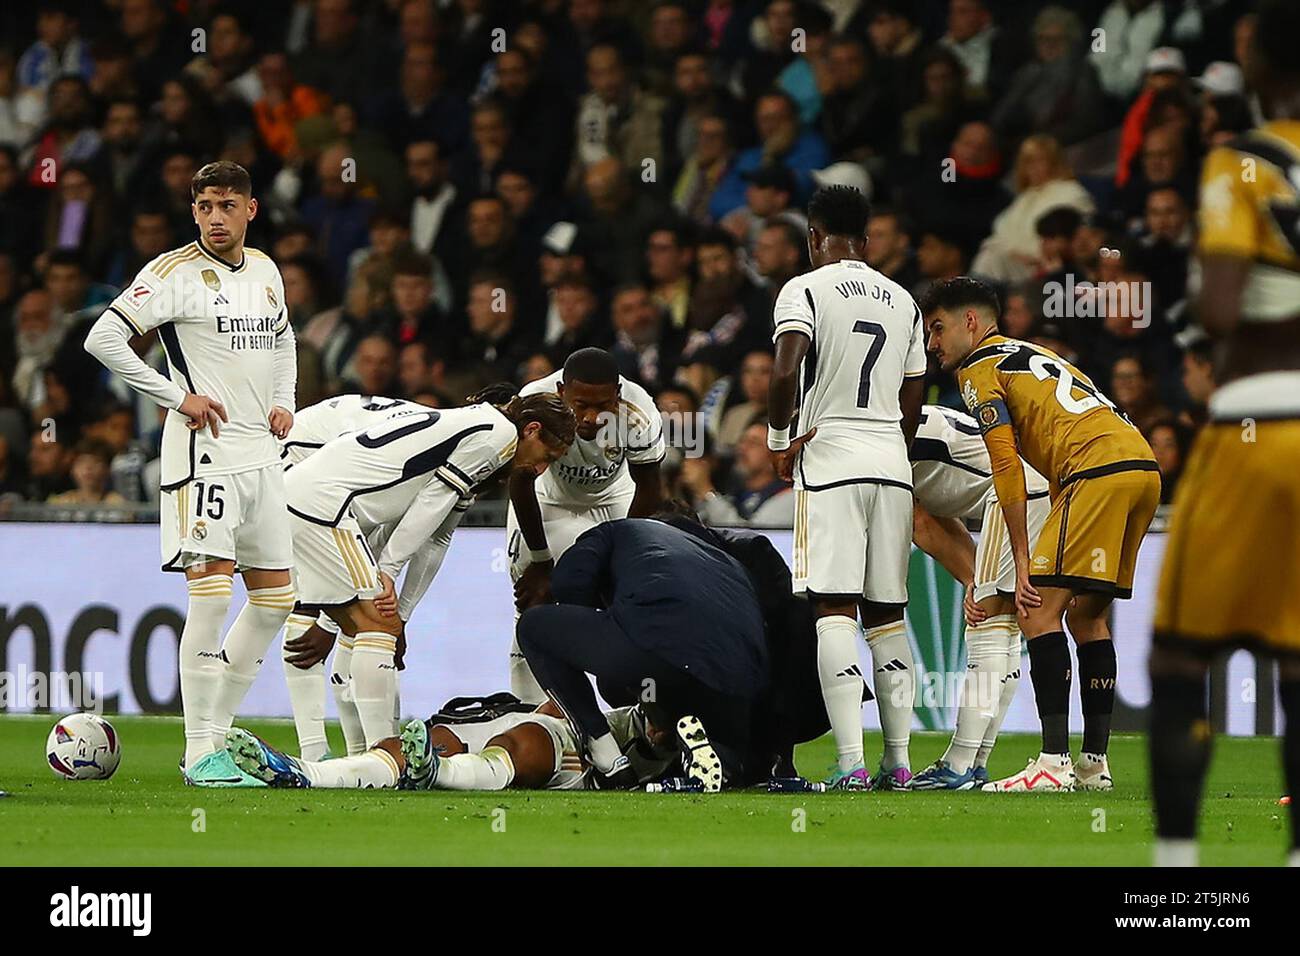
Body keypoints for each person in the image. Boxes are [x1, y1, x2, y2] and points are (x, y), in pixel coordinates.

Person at [83, 160, 298, 781]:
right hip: (205, 458)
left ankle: (216, 732)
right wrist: (178, 398)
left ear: (251, 210)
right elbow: (103, 339)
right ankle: (202, 749)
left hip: (261, 455)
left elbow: (284, 340)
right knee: (210, 598)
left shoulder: (265, 270)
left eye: (227, 205)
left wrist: (285, 399)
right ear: (194, 211)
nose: (215, 218)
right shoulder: (172, 273)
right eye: (205, 206)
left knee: (276, 599)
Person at [1149, 0, 1300, 868]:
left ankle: (1178, 872)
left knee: (1178, 657)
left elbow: (1219, 309)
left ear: (1262, 65)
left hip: (1258, 423)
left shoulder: (1241, 162)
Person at [923, 276, 1160, 793]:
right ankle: (1094, 765)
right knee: (1087, 617)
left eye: (938, 328)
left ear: (970, 322)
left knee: (1035, 611)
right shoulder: (1034, 353)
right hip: (1142, 468)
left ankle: (1052, 763)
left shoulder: (977, 369)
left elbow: (1005, 465)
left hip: (1094, 472)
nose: (932, 343)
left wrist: (1023, 557)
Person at [279, 390, 574, 754]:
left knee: (371, 627)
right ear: (531, 430)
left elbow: (435, 538)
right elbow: (429, 504)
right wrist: (388, 571)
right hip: (327, 503)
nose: (540, 469)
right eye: (547, 456)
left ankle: (359, 758)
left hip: (325, 501)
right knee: (375, 626)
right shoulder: (497, 436)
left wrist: (402, 611)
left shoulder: (472, 436)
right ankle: (381, 756)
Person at [766, 185, 927, 790]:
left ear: (814, 237)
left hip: (831, 459)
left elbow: (785, 369)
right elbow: (912, 399)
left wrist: (779, 439)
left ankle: (851, 763)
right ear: (866, 239)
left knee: (833, 608)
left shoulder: (804, 290)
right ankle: (899, 762)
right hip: (891, 464)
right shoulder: (904, 301)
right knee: (888, 615)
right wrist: (892, 450)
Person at [516, 517, 768, 789]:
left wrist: (572, 610)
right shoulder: (713, 556)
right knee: (645, 680)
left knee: (533, 628)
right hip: (741, 679)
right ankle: (712, 753)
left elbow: (569, 584)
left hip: (660, 650)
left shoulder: (609, 533)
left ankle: (608, 758)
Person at [507, 348, 665, 701]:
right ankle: (529, 710)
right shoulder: (535, 403)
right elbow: (520, 481)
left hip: (614, 497)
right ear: (561, 392)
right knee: (533, 602)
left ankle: (628, 712)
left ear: (618, 394)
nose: (591, 417)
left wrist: (621, 558)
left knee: (625, 599)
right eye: (580, 405)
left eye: (602, 406)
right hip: (549, 496)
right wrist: (540, 561)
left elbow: (650, 489)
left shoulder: (640, 413)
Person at [906, 405, 1050, 789]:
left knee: (987, 627)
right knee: (1004, 628)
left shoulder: (886, 439)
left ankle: (958, 764)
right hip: (1034, 487)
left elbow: (918, 521)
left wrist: (973, 579)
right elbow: (932, 511)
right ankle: (976, 762)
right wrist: (973, 577)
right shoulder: (917, 415)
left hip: (1013, 494)